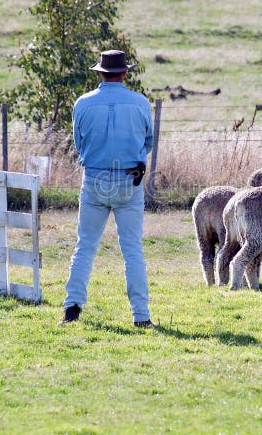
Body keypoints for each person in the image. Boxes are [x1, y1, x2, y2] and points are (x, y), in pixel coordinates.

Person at [62, 49, 156, 328]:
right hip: (129, 179)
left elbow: (79, 143)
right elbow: (148, 141)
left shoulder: (83, 103)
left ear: (100, 73)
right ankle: (141, 315)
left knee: (85, 246)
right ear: (125, 73)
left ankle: (72, 307)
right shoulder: (139, 103)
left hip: (95, 177)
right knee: (132, 249)